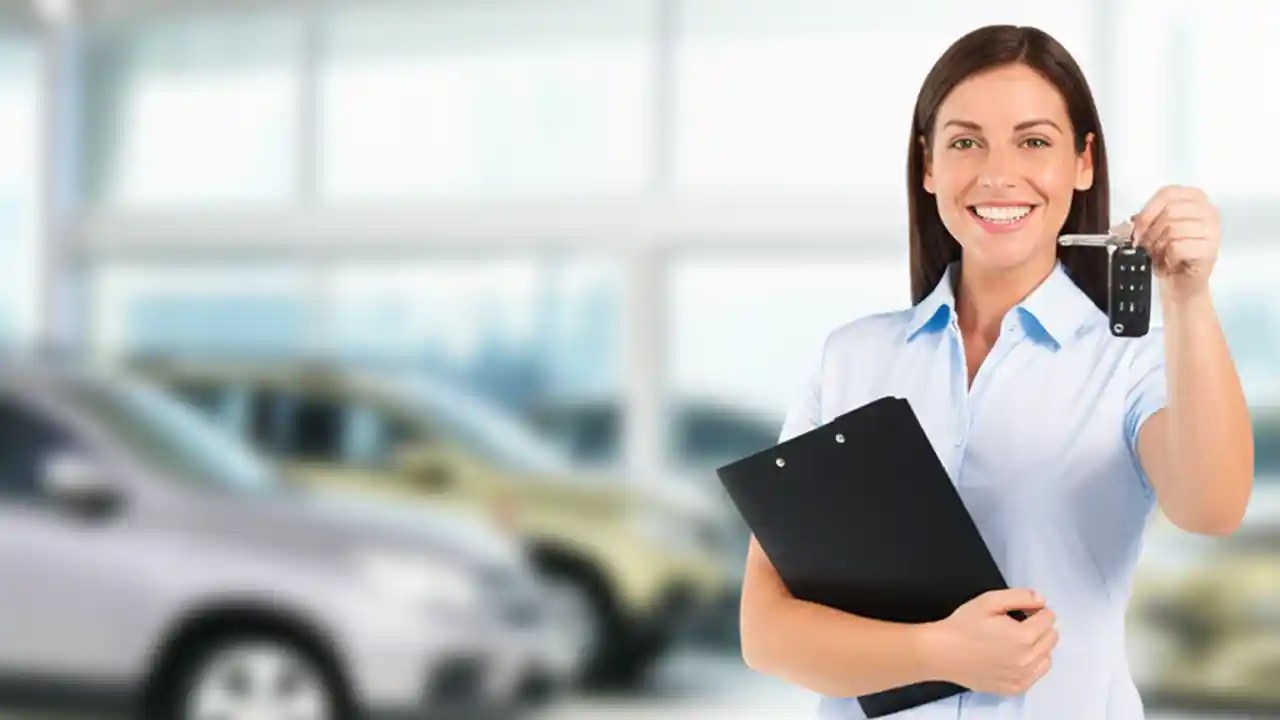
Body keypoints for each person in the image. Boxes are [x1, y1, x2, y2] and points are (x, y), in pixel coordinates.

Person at [738, 24, 1254, 720]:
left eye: (1033, 141)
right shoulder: (851, 359)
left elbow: (1212, 508)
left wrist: (1188, 297)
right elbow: (767, 632)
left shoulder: (1134, 362)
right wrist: (938, 653)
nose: (997, 173)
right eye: (965, 142)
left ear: (1083, 162)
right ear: (928, 165)